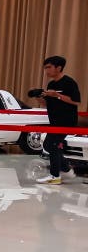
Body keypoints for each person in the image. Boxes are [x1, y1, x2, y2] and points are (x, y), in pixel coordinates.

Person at [35, 56, 80, 184]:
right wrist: (38, 97)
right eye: (45, 68)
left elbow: (76, 101)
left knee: (53, 145)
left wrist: (57, 95)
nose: (46, 70)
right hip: (54, 121)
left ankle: (55, 176)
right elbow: (46, 104)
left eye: (49, 67)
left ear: (58, 68)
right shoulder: (51, 84)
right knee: (48, 145)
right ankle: (66, 168)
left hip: (66, 121)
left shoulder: (69, 82)